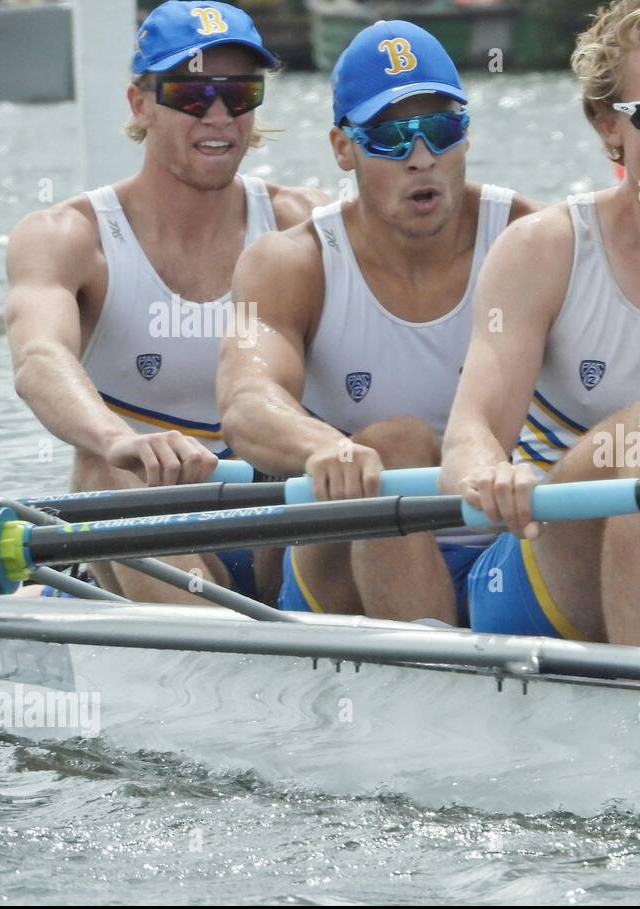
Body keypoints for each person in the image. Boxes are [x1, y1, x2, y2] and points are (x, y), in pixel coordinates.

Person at [440, 0, 640, 645]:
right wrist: (490, 475)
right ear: (606, 124)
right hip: (541, 571)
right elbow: (469, 435)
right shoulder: (544, 251)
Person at [3, 0, 325, 603]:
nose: (220, 115)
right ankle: (213, 648)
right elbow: (39, 359)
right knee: (108, 465)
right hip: (136, 528)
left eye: (239, 92)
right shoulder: (68, 237)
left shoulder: (298, 222)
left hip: (270, 526)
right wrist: (117, 439)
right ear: (140, 105)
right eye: (191, 93)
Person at [218, 21, 539, 623]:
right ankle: (434, 682)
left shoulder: (532, 240)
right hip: (348, 555)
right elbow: (246, 402)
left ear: (466, 134)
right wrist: (327, 450)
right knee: (395, 443)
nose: (422, 158)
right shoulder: (294, 263)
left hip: (505, 547)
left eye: (441, 130)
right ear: (343, 148)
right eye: (392, 138)